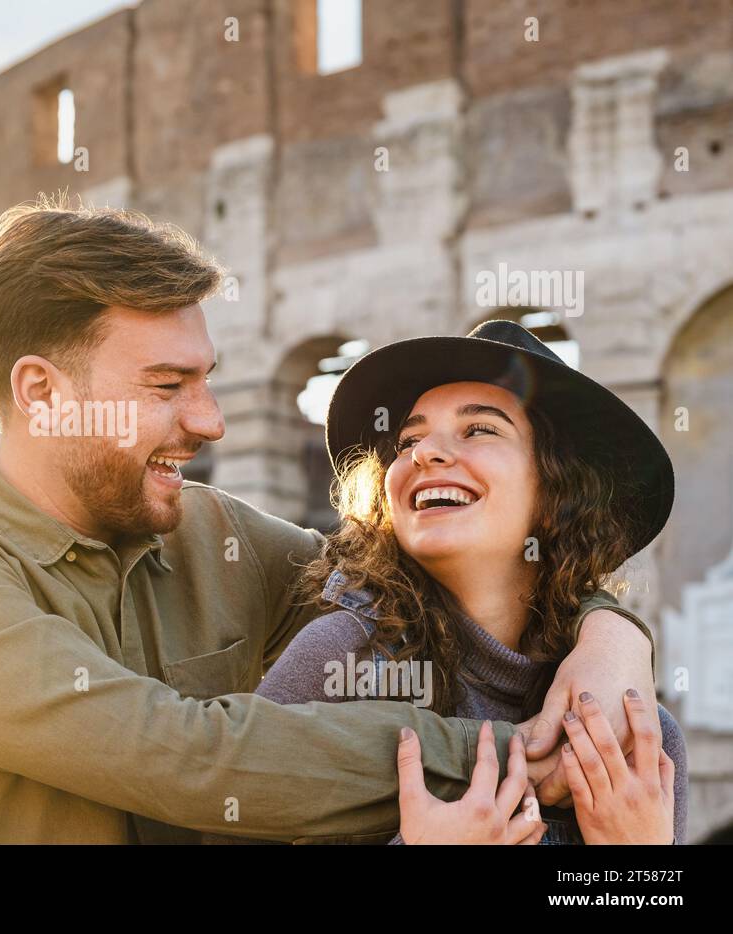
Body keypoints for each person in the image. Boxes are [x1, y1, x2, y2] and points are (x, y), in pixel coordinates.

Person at [0, 199, 657, 843]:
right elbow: (182, 756)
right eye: (166, 386)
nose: (211, 420)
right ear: (43, 393)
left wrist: (611, 634)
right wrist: (516, 759)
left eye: (207, 380)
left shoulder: (210, 532)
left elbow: (435, 576)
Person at [227, 320, 685, 844]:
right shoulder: (339, 662)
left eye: (480, 429)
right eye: (409, 439)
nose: (424, 453)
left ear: (560, 487)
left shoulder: (641, 731)